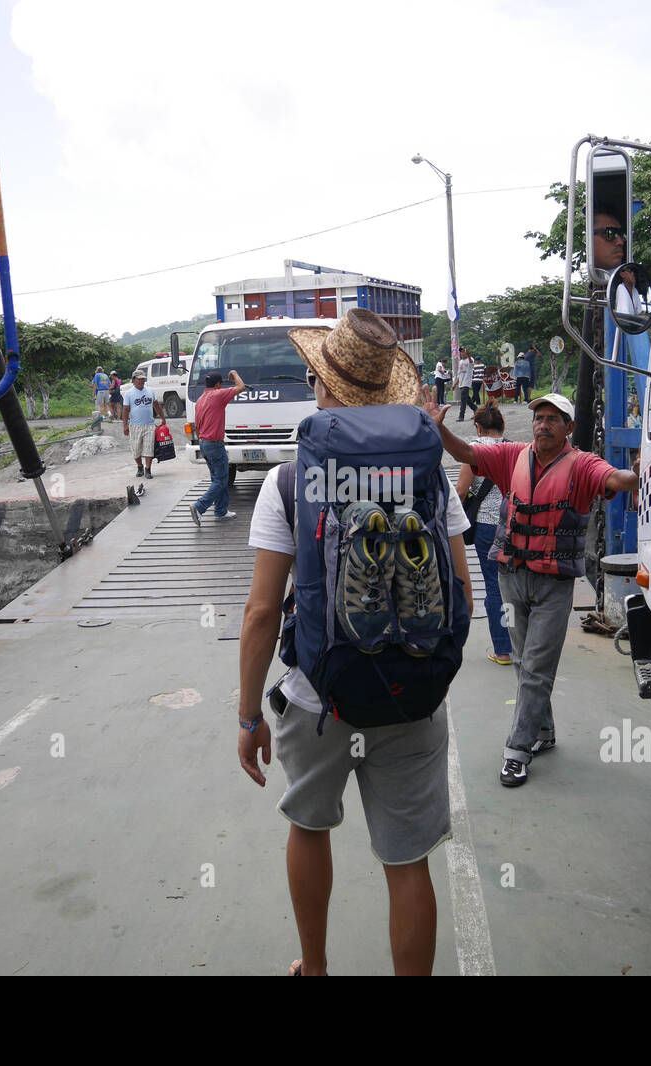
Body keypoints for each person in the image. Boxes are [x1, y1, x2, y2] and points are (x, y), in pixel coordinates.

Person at [238, 308, 473, 976]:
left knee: (310, 828)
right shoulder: (426, 475)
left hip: (320, 700)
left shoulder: (290, 481)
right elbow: (460, 588)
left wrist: (248, 713)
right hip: (415, 692)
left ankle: (314, 969)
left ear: (321, 382)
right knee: (407, 863)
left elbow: (260, 614)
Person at [428, 392, 638, 788]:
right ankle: (544, 733)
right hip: (512, 579)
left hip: (553, 586)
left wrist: (636, 475)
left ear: (569, 428)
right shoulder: (512, 456)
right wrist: (438, 428)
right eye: (539, 417)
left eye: (552, 418)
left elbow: (615, 479)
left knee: (536, 667)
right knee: (524, 664)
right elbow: (466, 453)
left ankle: (516, 750)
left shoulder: (583, 466)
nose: (542, 424)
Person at [455, 403, 512, 665]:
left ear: (478, 426)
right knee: (514, 585)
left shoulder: (473, 451)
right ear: (501, 426)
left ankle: (502, 649)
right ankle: (520, 640)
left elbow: (462, 491)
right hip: (515, 524)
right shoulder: (516, 449)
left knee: (493, 584)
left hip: (488, 527)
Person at [189, 369, 245, 524]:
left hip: (204, 443)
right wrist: (234, 374)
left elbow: (198, 426)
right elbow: (241, 387)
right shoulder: (218, 395)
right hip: (214, 444)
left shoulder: (200, 400)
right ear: (218, 385)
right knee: (220, 481)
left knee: (218, 479)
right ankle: (199, 506)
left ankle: (220, 511)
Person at [121, 365, 165, 479]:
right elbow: (125, 410)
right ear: (133, 380)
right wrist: (125, 425)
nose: (141, 381)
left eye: (143, 379)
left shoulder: (150, 391)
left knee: (148, 449)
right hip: (135, 426)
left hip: (149, 425)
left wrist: (163, 418)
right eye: (139, 379)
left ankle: (148, 469)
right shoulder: (129, 393)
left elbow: (156, 405)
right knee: (136, 450)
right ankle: (140, 466)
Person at [455, 350, 476, 422]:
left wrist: (469, 355)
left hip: (466, 382)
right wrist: (455, 384)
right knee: (467, 399)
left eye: (463, 352)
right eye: (461, 352)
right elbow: (459, 374)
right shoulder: (460, 362)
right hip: (461, 382)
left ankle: (461, 416)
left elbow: (471, 363)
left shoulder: (470, 359)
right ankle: (476, 409)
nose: (462, 353)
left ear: (466, 353)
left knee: (463, 399)